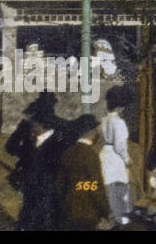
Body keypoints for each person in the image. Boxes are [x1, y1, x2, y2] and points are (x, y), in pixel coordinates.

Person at [57, 114, 113, 231]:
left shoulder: (68, 152)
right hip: (87, 215)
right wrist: (106, 211)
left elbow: (60, 186)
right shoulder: (90, 154)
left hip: (68, 213)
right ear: (91, 132)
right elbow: (95, 187)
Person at [99, 85, 133, 222]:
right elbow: (120, 146)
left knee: (109, 189)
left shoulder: (104, 120)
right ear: (120, 106)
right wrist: (127, 159)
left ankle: (113, 216)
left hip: (105, 153)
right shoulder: (119, 122)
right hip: (115, 157)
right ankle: (122, 219)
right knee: (121, 190)